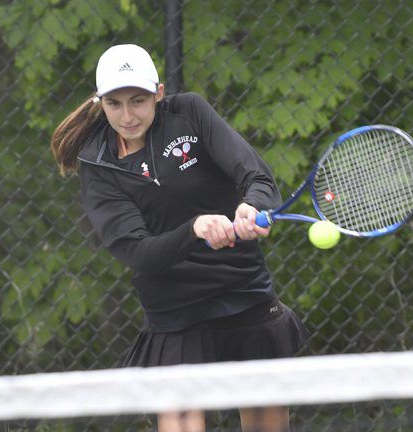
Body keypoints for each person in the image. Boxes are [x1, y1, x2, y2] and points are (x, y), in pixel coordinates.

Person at [50, 44, 308, 432]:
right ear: (100, 102)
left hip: (244, 292)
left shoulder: (189, 113)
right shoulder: (98, 164)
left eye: (138, 100)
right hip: (176, 313)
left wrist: (252, 206)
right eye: (115, 104)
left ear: (158, 92)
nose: (128, 115)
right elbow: (138, 253)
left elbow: (257, 176)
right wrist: (195, 230)